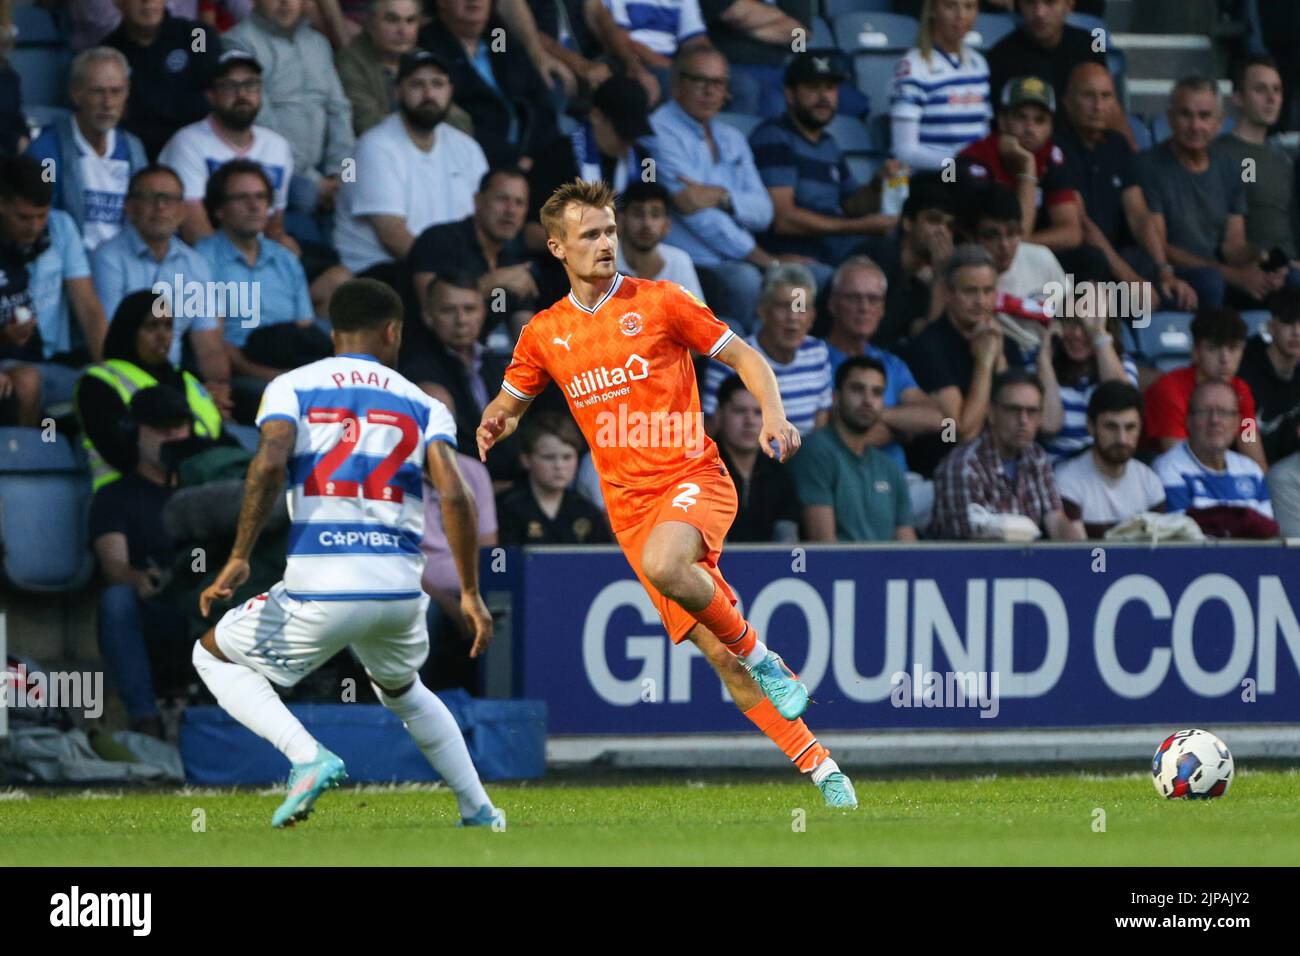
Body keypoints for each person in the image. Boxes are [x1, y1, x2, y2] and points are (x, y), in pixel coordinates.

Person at [476, 178, 857, 806]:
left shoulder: (662, 301)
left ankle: (767, 657)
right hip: (630, 511)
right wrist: (496, 419)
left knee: (669, 567)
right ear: (556, 247)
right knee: (718, 658)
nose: (605, 243)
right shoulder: (545, 332)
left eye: (609, 231)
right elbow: (512, 400)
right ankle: (823, 771)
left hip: (693, 479)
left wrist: (773, 415)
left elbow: (749, 360)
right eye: (590, 235)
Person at [195, 278, 503, 829]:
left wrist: (240, 553)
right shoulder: (422, 402)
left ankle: (305, 755)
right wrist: (472, 591)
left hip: (323, 586)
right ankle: (479, 808)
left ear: (333, 332)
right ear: (393, 332)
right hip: (401, 593)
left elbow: (268, 462)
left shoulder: (292, 387)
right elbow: (454, 492)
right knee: (405, 690)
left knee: (211, 655)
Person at [89, 385, 195, 737]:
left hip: (205, 606)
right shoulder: (114, 496)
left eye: (179, 426)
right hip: (156, 611)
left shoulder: (205, 490)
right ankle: (144, 720)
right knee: (116, 599)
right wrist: (142, 580)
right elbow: (114, 567)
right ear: (136, 432)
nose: (171, 436)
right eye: (161, 427)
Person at [646, 45, 775, 330]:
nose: (709, 91)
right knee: (747, 282)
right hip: (694, 262)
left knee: (806, 279)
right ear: (677, 84)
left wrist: (721, 197)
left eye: (718, 83)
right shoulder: (658, 131)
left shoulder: (732, 137)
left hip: (740, 255)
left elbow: (764, 211)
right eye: (699, 81)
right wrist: (759, 258)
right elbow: (696, 214)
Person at [90, 164, 234, 417]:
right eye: (149, 198)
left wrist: (218, 390)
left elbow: (209, 345)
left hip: (177, 381)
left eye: (169, 199)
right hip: (128, 381)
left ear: (182, 211)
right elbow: (112, 341)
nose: (160, 207)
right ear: (130, 207)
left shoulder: (196, 264)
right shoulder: (108, 257)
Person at [903, 245, 1061, 474]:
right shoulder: (927, 347)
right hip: (941, 471)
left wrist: (999, 361)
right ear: (948, 293)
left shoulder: (1006, 343)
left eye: (988, 291)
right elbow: (959, 434)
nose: (981, 301)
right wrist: (985, 363)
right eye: (970, 291)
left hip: (999, 469)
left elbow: (1020, 417)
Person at [332, 50, 488, 279]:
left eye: (437, 84)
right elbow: (393, 237)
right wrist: (459, 278)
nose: (428, 94)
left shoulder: (466, 147)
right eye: (417, 84)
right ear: (397, 92)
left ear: (450, 91)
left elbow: (484, 220)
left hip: (448, 273)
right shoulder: (375, 145)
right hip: (381, 271)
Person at [1134, 76, 1286, 310]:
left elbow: (1233, 246)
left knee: (1287, 282)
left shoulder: (1229, 167)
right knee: (1212, 282)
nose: (1195, 126)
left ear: (1219, 123)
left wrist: (1262, 258)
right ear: (1170, 118)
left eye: (1204, 116)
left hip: (1217, 272)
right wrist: (1231, 275)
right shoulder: (1148, 166)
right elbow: (1161, 247)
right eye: (1185, 115)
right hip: (1171, 273)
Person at [1055, 62, 1197, 311]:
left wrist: (1164, 270)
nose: (1098, 106)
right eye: (1088, 96)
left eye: (1106, 96)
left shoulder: (1118, 145)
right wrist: (1132, 280)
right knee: (1099, 266)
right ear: (1067, 102)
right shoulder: (1058, 149)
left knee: (1194, 288)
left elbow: (1139, 214)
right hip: (1082, 265)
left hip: (1119, 258)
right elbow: (1084, 226)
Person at [750, 51, 895, 283]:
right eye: (813, 87)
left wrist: (878, 184)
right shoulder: (774, 137)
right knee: (885, 261)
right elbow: (783, 219)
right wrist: (858, 226)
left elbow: (852, 205)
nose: (824, 97)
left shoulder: (828, 144)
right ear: (790, 94)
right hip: (797, 250)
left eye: (830, 88)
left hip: (833, 246)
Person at [195, 159, 326, 405]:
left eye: (261, 197)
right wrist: (278, 379)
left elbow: (305, 330)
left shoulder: (286, 259)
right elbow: (213, 344)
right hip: (244, 373)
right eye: (242, 198)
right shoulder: (200, 261)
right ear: (218, 209)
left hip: (292, 363)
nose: (254, 206)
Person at [224, 0, 355, 242]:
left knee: (363, 188)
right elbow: (261, 121)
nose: (285, 3)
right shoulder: (239, 41)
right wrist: (317, 183)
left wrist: (341, 174)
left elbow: (340, 110)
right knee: (305, 194)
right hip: (277, 169)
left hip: (328, 174)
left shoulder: (319, 43)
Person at [76, 290, 229, 493]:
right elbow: (121, 452)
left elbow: (220, 437)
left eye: (168, 326)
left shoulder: (187, 379)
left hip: (195, 492)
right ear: (129, 330)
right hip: (124, 497)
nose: (162, 336)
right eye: (152, 326)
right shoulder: (98, 382)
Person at [0, 155, 109, 413]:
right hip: (7, 365)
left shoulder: (61, 227)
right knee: (27, 383)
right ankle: (26, 454)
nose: (35, 226)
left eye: (41, 216)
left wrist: (111, 369)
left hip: (54, 360)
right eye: (24, 218)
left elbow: (88, 308)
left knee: (106, 390)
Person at [158, 51, 297, 248]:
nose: (242, 94)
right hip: (200, 262)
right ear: (211, 96)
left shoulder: (277, 146)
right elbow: (194, 230)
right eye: (230, 86)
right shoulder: (188, 142)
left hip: (255, 259)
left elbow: (273, 225)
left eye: (250, 85)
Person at [821, 256, 945, 473]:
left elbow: (937, 417)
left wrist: (873, 415)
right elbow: (829, 427)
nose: (864, 307)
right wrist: (901, 427)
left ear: (883, 309)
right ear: (833, 304)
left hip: (899, 484)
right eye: (854, 298)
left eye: (873, 299)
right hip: (838, 478)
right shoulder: (814, 357)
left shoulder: (891, 364)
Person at [930, 368, 1085, 540]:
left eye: (1031, 411)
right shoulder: (963, 466)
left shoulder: (1037, 456)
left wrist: (1079, 556)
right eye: (1013, 410)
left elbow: (1055, 519)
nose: (1024, 420)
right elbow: (972, 545)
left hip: (1027, 560)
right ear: (991, 413)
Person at [958, 76, 1094, 271]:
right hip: (981, 260)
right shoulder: (976, 160)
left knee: (1090, 259)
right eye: (1021, 117)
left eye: (1040, 120)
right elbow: (1009, 235)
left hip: (1020, 252)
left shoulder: (1051, 155)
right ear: (1003, 121)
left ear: (1050, 127)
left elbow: (1071, 233)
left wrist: (1024, 243)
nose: (1030, 128)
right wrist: (1027, 168)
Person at [24, 47, 148, 252]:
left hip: (124, 262)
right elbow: (42, 217)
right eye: (97, 91)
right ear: (76, 93)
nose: (107, 103)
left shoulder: (133, 148)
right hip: (70, 264)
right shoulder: (46, 151)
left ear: (126, 94)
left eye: (116, 91)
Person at [417, 0, 563, 173]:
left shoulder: (497, 35)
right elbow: (457, 119)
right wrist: (509, 157)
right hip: (478, 160)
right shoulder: (430, 45)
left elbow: (534, 93)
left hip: (532, 152)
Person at [790, 356, 916, 543]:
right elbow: (824, 546)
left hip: (889, 572)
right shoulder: (814, 452)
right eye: (857, 389)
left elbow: (909, 551)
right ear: (836, 397)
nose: (868, 400)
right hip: (836, 571)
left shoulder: (889, 468)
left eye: (877, 392)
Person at [400, 272, 511, 473]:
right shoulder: (417, 371)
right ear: (428, 316)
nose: (461, 320)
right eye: (448, 310)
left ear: (483, 312)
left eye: (469, 309)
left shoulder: (494, 363)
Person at [700, 263, 830, 434]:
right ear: (762, 310)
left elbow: (821, 421)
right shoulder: (729, 359)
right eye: (783, 306)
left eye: (801, 307)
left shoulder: (818, 352)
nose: (793, 317)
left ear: (812, 316)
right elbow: (710, 428)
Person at [407, 167, 535, 328]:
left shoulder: (510, 261)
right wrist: (494, 281)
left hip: (485, 351)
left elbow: (521, 325)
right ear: (478, 201)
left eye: (519, 203)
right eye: (502, 199)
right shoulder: (439, 240)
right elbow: (432, 307)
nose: (511, 211)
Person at [1143, 307, 1267, 471]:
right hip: (1158, 469)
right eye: (1213, 348)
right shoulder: (1170, 390)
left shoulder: (1241, 391)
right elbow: (1178, 461)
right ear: (1195, 351)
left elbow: (1249, 442)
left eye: (1233, 348)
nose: (1225, 359)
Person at [1212, 55, 1300, 284]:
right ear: (1238, 97)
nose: (1272, 98)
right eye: (1261, 89)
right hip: (1258, 269)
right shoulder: (1220, 153)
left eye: (1277, 90)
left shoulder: (1283, 161)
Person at [1152, 380, 1276, 537]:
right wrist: (1244, 521)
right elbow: (1183, 536)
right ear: (1188, 420)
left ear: (1237, 422)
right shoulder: (1168, 468)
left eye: (1224, 412)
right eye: (1204, 412)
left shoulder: (1251, 470)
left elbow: (1266, 532)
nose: (1215, 420)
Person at [104, 0, 223, 161]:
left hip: (201, 148)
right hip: (142, 155)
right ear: (118, 3)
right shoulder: (109, 52)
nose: (147, 2)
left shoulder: (196, 34)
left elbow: (211, 91)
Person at [1054, 380, 1165, 538]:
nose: (1122, 438)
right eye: (1111, 427)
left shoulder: (1150, 482)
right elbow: (1078, 554)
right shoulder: (1067, 481)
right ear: (1091, 427)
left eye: (1130, 427)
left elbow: (1159, 552)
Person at [890, 0, 990, 172]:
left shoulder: (978, 64)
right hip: (938, 176)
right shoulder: (913, 66)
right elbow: (904, 150)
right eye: (951, 6)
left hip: (975, 176)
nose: (961, 16)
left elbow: (984, 132)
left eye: (969, 7)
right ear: (933, 10)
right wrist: (955, 164)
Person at [859, 173, 957, 346]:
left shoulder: (923, 283)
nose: (943, 232)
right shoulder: (877, 259)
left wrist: (940, 275)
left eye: (949, 226)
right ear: (907, 222)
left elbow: (929, 342)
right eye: (934, 220)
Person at [986, 0, 1111, 130]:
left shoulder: (1091, 45)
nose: (1039, 13)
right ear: (1020, 5)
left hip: (1082, 143)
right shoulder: (1001, 55)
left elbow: (1111, 107)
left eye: (1050, 2)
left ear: (1068, 5)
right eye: (1030, 3)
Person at [1036, 304, 1140, 460]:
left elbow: (1122, 405)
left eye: (1085, 324)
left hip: (1105, 471)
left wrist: (1098, 336)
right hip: (1054, 475)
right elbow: (1048, 425)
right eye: (1070, 322)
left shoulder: (1123, 365)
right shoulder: (1040, 366)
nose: (1077, 333)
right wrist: (1044, 359)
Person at [496, 411, 612, 544]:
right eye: (549, 457)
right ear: (526, 459)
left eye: (567, 457)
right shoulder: (505, 509)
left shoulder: (587, 512)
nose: (559, 465)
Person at [712, 374, 799, 543]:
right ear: (719, 415)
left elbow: (787, 544)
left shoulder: (780, 474)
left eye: (758, 412)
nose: (750, 421)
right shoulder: (699, 469)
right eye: (739, 411)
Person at [335, 0, 424, 137]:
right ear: (371, 24)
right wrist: (426, 129)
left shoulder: (421, 58)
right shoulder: (350, 61)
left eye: (410, 20)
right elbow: (366, 122)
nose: (403, 30)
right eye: (392, 20)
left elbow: (456, 118)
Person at [1237, 288, 1300, 463]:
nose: (1296, 331)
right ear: (1272, 326)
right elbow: (1246, 433)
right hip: (1246, 467)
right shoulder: (1246, 366)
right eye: (1288, 322)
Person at [615, 180, 703, 299]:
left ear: (667, 224)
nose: (647, 223)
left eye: (655, 214)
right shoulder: (604, 260)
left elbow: (696, 315)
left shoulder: (680, 262)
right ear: (621, 219)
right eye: (637, 213)